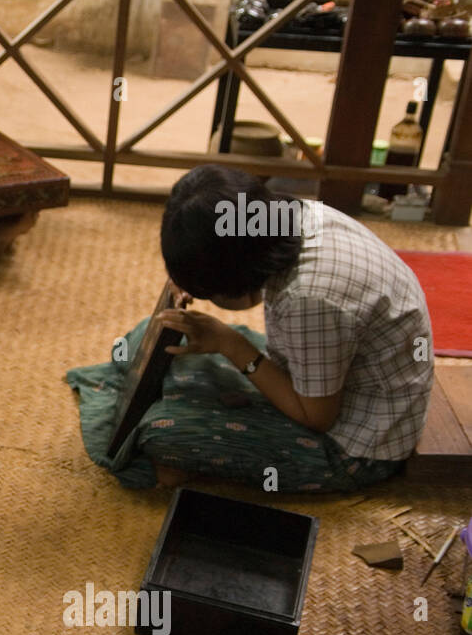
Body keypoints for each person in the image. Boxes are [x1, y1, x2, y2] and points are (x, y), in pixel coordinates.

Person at [135, 165, 432, 491]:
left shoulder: (310, 298)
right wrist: (193, 272)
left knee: (161, 432)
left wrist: (230, 345)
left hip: (357, 445)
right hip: (344, 371)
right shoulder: (287, 216)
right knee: (182, 343)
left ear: (235, 276)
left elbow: (317, 418)